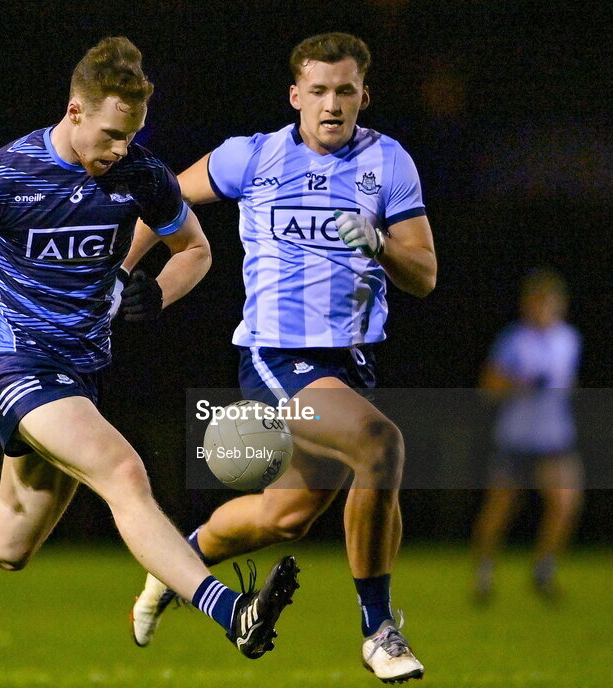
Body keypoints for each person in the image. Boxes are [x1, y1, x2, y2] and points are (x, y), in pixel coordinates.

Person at [0, 37, 299, 660]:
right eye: (111, 134)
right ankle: (233, 612)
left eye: (132, 135)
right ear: (74, 112)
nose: (119, 149)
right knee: (124, 473)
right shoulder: (1, 176)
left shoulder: (139, 174)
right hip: (16, 366)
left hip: (80, 374)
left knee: (8, 544)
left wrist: (156, 294)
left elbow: (195, 250)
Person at [126, 33, 435, 683]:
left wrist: (378, 241)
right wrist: (126, 271)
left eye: (345, 90)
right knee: (381, 445)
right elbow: (165, 198)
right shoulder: (255, 156)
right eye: (318, 90)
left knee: (284, 516)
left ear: (363, 97)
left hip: (350, 364)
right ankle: (378, 629)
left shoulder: (390, 162)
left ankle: (173, 566)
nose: (332, 104)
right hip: (277, 355)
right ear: (296, 96)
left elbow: (425, 274)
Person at [471, 269, 583, 603]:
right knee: (501, 508)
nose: (542, 309)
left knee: (565, 503)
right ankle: (484, 572)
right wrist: (521, 384)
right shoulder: (514, 340)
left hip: (555, 437)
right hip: (517, 438)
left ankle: (543, 571)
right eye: (537, 302)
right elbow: (488, 387)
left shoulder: (569, 339)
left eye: (549, 303)